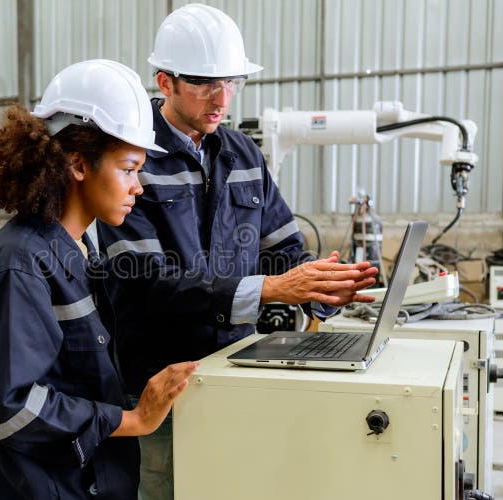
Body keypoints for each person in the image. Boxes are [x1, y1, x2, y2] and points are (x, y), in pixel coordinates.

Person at [96, 4, 379, 499]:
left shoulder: (243, 154)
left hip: (236, 370)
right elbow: (146, 283)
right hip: (160, 385)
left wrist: (318, 286)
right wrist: (270, 289)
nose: (222, 98)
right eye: (206, 84)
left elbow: (281, 247)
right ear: (166, 82)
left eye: (232, 82)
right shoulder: (135, 160)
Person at [0, 59, 198, 500]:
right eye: (129, 168)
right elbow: (10, 407)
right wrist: (133, 420)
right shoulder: (22, 261)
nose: (139, 186)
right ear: (78, 163)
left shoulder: (79, 247)